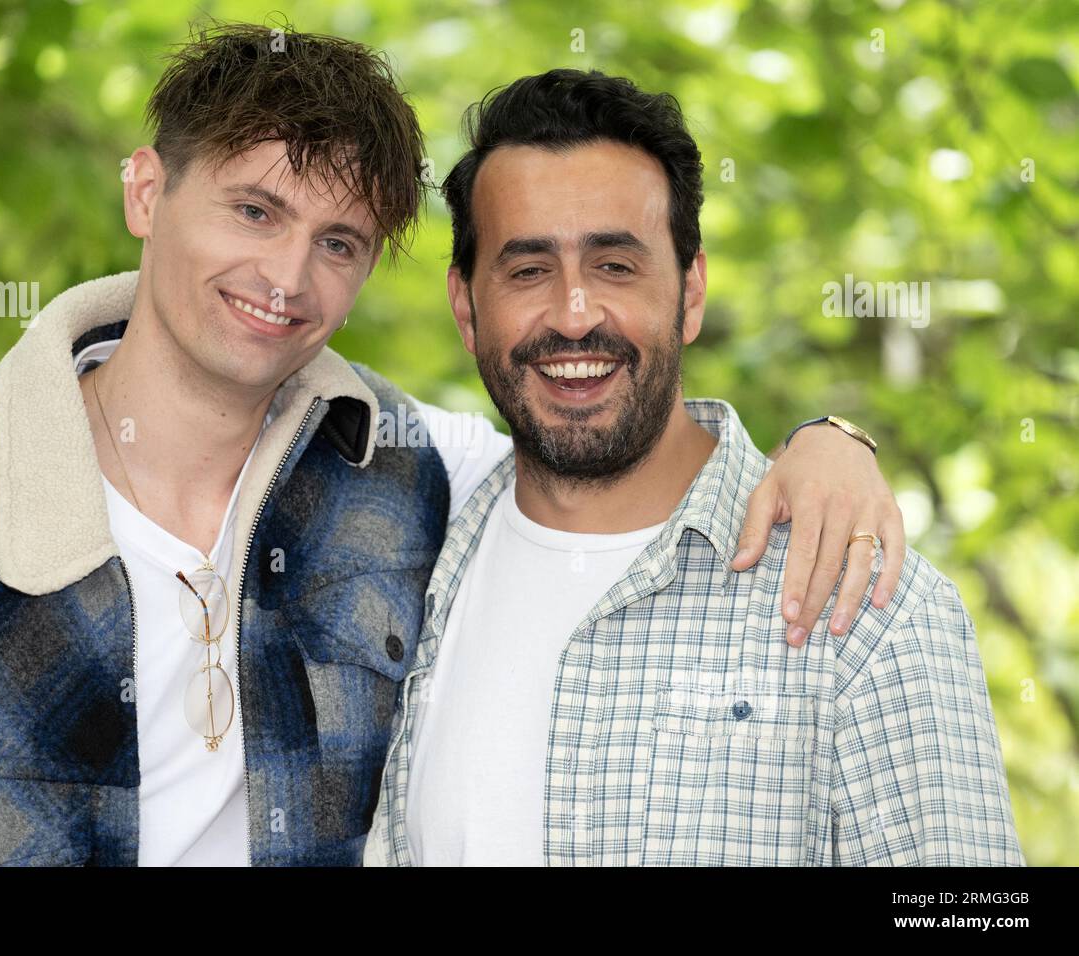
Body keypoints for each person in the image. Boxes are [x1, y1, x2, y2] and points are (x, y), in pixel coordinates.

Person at [0, 26, 902, 868]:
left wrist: (826, 440)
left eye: (338, 242)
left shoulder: (415, 472)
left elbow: (607, 453)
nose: (285, 279)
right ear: (146, 188)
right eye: (254, 211)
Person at [364, 69, 1023, 866]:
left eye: (616, 266)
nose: (575, 315)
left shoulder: (865, 605)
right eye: (529, 270)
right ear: (467, 309)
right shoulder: (414, 546)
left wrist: (836, 436)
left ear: (693, 291)